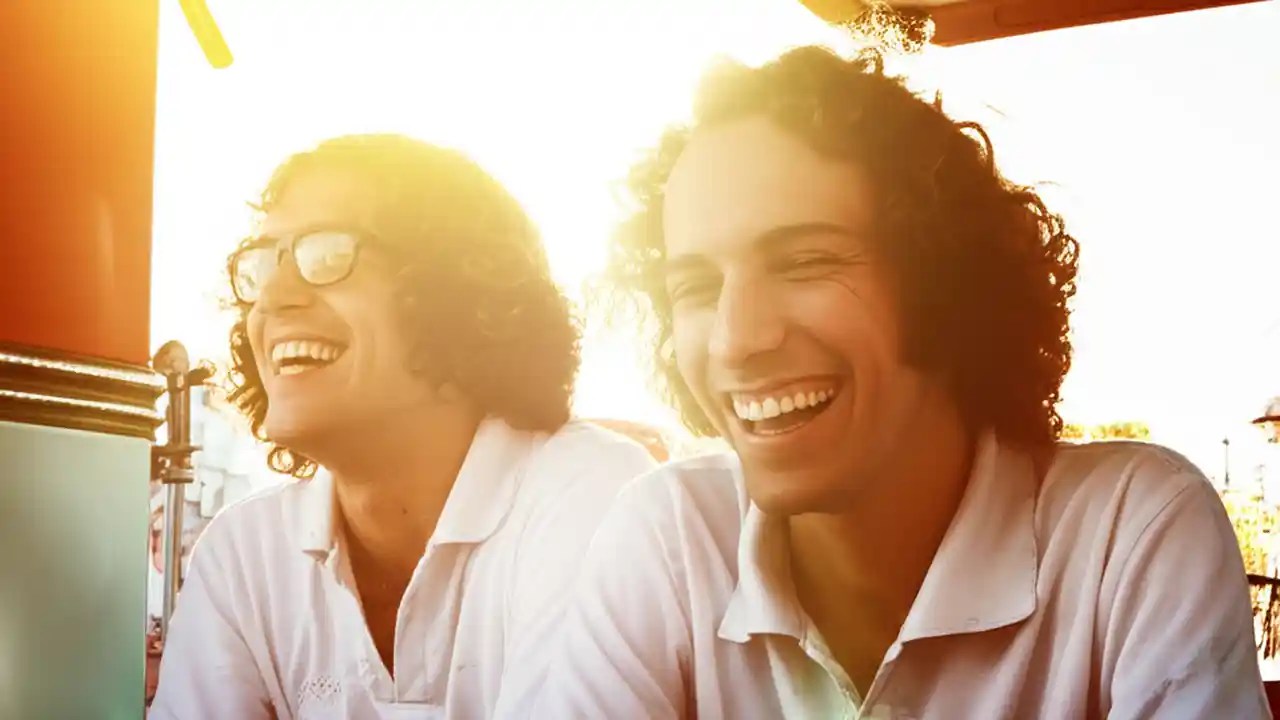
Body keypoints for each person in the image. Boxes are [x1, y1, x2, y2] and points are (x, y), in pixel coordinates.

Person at [529, 47, 1270, 719]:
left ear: (944, 282)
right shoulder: (669, 538)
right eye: (695, 286)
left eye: (804, 262)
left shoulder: (1129, 535)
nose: (735, 337)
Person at [150, 134, 656, 719]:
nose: (274, 299)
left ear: (462, 295)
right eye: (264, 266)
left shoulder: (590, 494)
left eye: (328, 256)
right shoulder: (245, 553)